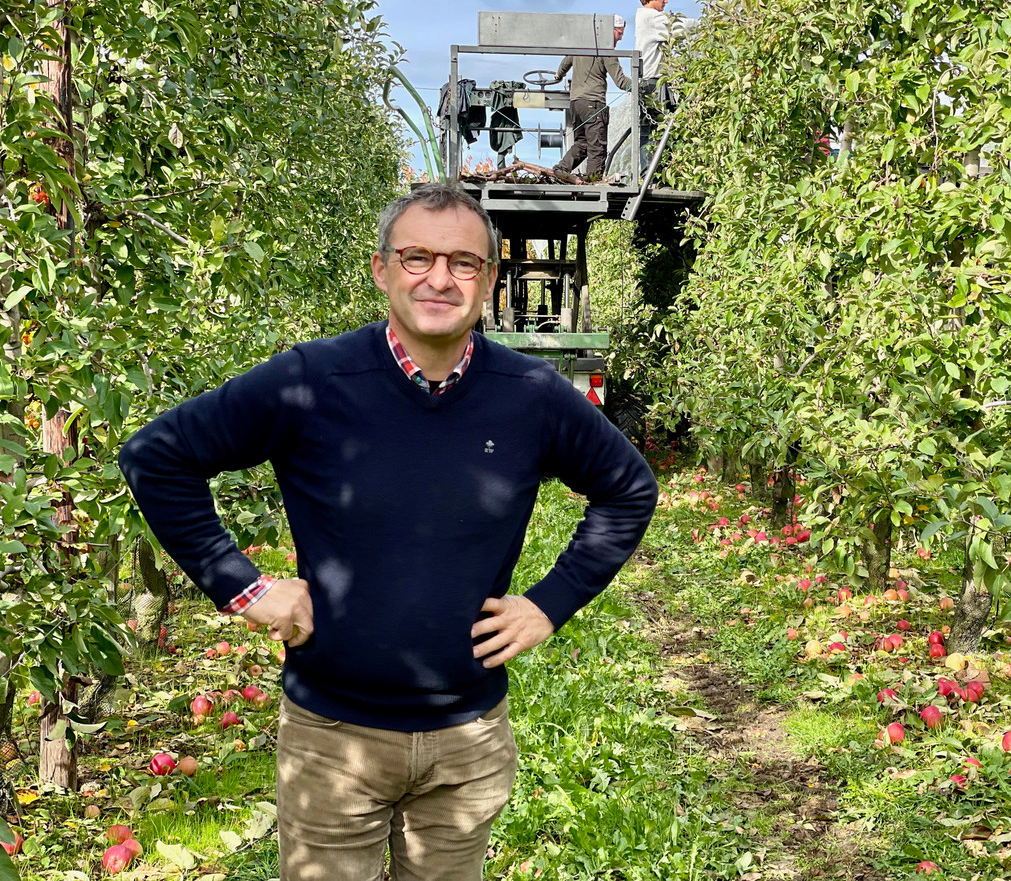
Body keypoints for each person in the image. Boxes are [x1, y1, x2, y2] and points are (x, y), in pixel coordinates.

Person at [118, 184, 659, 881]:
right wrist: (242, 587)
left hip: (467, 740)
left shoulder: (530, 395)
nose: (440, 278)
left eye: (464, 263)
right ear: (381, 270)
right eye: (417, 257)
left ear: (490, 280)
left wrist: (549, 604)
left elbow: (628, 489)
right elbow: (157, 457)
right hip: (332, 739)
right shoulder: (313, 381)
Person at [551, 15, 632, 181]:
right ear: (609, 31)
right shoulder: (606, 50)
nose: (621, 38)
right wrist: (641, 86)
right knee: (597, 148)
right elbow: (621, 81)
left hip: (576, 104)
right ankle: (593, 184)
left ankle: (561, 169)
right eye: (619, 33)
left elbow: (565, 62)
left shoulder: (580, 45)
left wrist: (559, 75)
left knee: (582, 143)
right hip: (593, 104)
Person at [634, 0, 697, 175]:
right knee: (662, 129)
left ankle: (651, 173)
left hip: (649, 82)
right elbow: (679, 27)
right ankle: (653, 174)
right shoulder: (651, 17)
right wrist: (711, 21)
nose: (666, 1)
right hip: (654, 84)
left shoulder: (644, 16)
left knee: (650, 131)